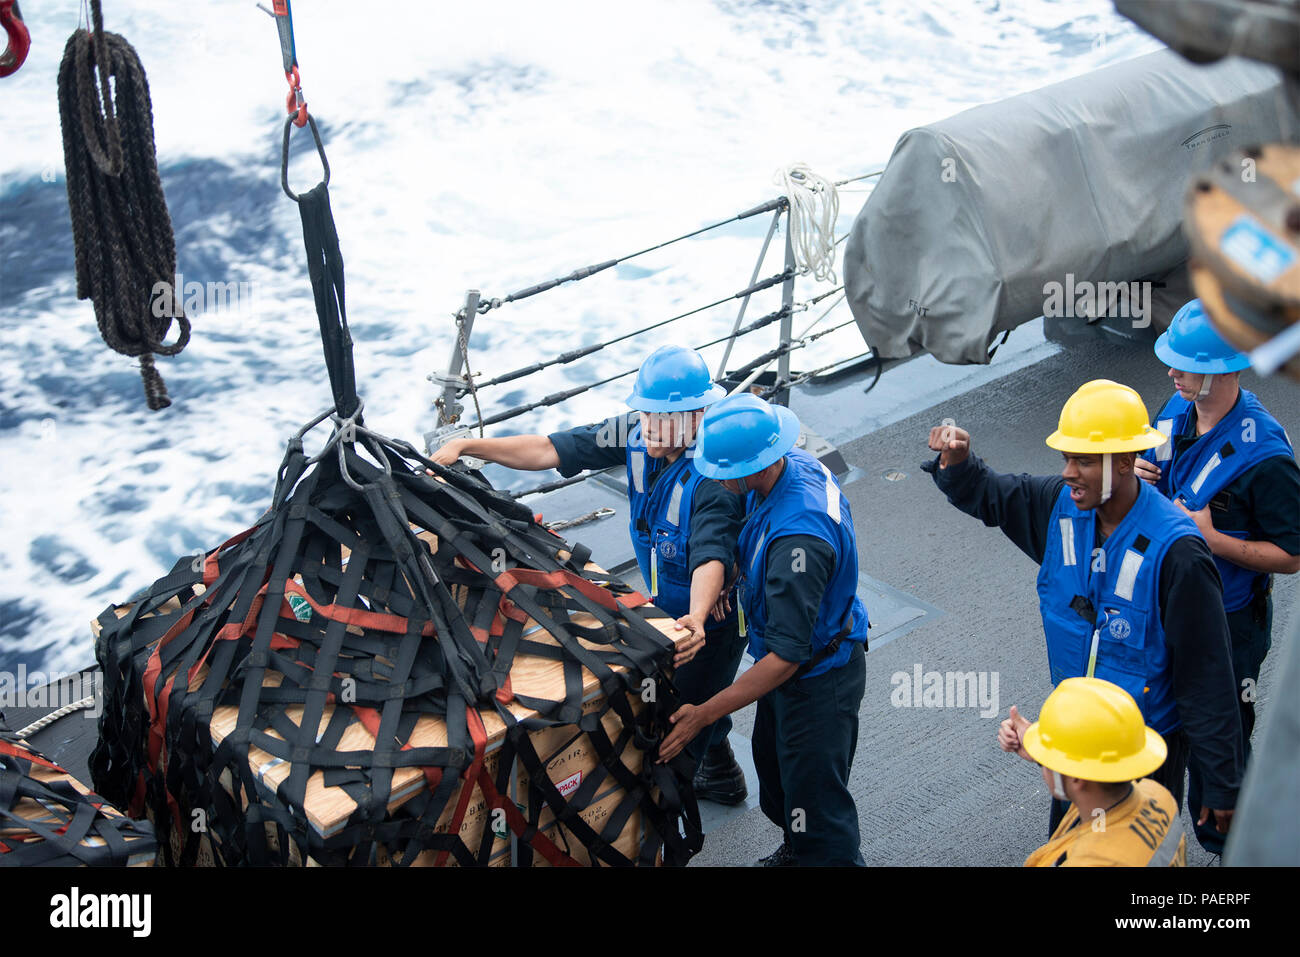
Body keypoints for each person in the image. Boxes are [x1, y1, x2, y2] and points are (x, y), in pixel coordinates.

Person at [924, 379, 1243, 840]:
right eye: (1066, 458)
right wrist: (956, 463)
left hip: (1142, 750)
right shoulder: (1061, 507)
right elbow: (990, 494)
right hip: (1077, 741)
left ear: (1128, 460)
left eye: (1085, 461)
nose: (1070, 472)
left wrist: (1222, 783)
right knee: (1072, 844)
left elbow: (1207, 676)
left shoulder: (1179, 555)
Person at [432, 345, 749, 803]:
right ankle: (719, 771)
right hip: (670, 604)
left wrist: (699, 617)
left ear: (698, 416)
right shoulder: (637, 435)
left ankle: (670, 805)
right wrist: (469, 446)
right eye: (646, 414)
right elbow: (549, 448)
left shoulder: (713, 472)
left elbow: (711, 554)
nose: (651, 427)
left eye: (665, 417)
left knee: (678, 720)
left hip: (710, 619)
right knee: (683, 699)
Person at [658, 393, 869, 866]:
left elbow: (786, 658)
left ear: (746, 467)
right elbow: (754, 537)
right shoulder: (789, 463)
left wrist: (704, 713)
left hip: (819, 678)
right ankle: (798, 849)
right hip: (796, 661)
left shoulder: (799, 542)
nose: (711, 477)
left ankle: (816, 853)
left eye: (718, 469)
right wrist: (732, 578)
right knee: (777, 777)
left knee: (819, 812)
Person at [1135, 299, 1300, 853]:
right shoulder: (1172, 412)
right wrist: (1135, 475)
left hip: (1230, 623)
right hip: (1169, 605)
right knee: (1169, 716)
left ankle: (1238, 843)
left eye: (1185, 364)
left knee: (1224, 733)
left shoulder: (1266, 456)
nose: (1171, 372)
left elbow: (1294, 554)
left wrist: (1214, 540)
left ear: (1224, 369)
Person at [999, 677, 1186, 867]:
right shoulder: (1158, 796)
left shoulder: (1090, 861)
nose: (1044, 761)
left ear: (1077, 777)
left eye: (1049, 758)